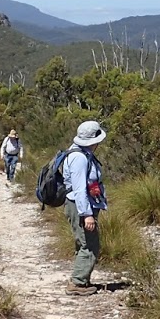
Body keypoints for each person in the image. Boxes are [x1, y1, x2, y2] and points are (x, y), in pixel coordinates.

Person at [62, 119, 108, 294]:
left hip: (81, 205)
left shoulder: (80, 153)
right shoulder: (79, 158)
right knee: (90, 244)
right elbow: (80, 190)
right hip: (80, 206)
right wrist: (87, 214)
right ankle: (78, 284)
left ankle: (81, 277)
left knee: (83, 242)